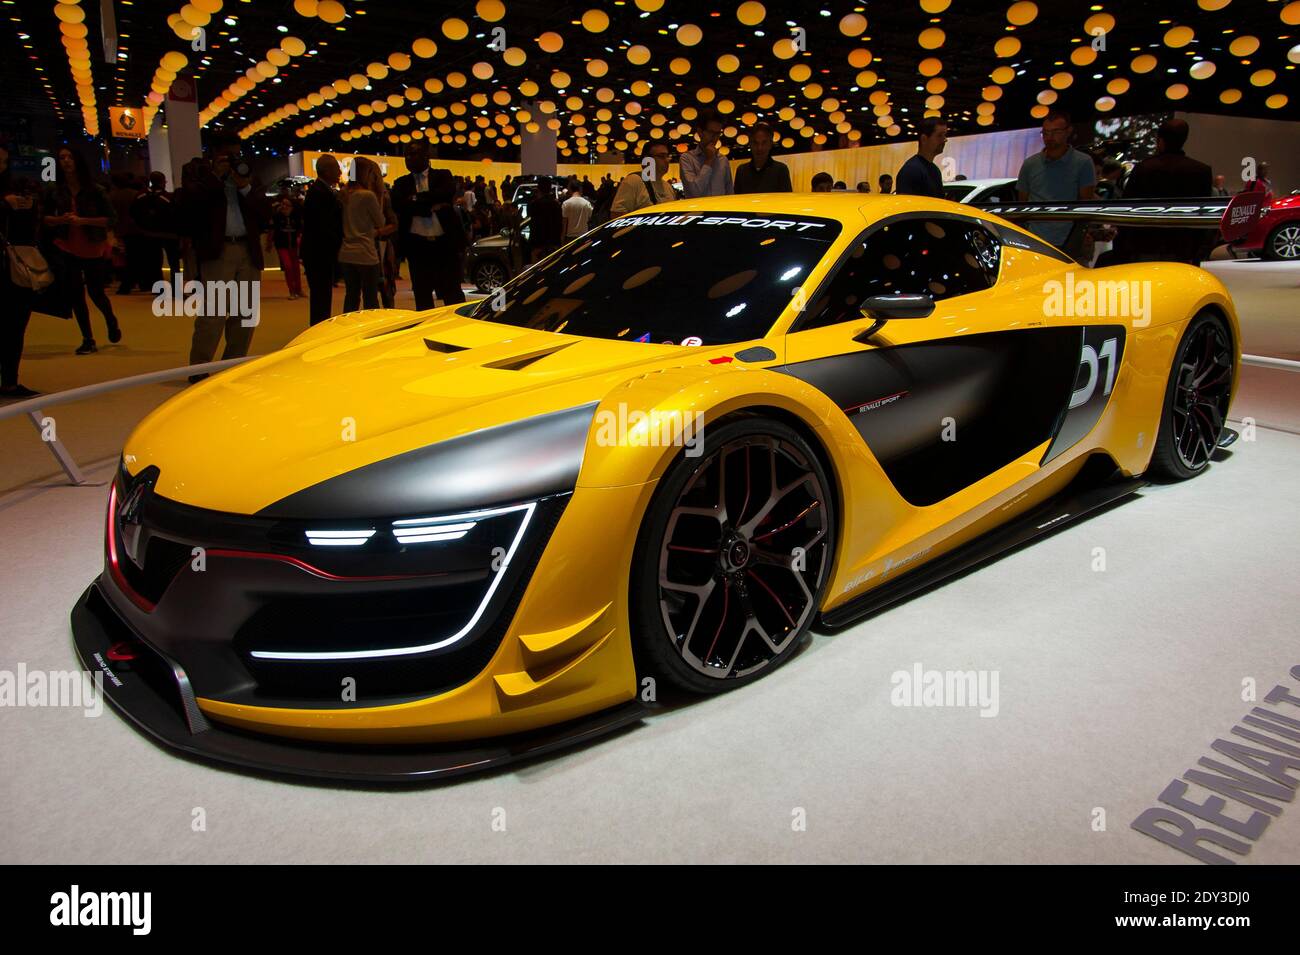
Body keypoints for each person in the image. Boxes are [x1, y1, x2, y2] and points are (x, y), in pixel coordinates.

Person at [179, 135, 272, 374]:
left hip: (248, 249)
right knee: (214, 313)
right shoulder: (199, 174)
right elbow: (190, 207)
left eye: (236, 154)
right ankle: (199, 369)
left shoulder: (247, 174)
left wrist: (245, 187)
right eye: (228, 154)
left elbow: (265, 213)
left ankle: (232, 366)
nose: (233, 159)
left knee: (246, 313)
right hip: (218, 251)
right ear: (214, 153)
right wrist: (215, 177)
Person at [42, 146, 119, 355]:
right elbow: (45, 219)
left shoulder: (95, 190)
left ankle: (110, 320)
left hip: (92, 246)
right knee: (76, 295)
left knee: (96, 292)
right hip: (66, 246)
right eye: (62, 157)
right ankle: (88, 339)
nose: (66, 161)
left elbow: (111, 219)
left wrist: (83, 221)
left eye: (70, 157)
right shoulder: (55, 190)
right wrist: (61, 219)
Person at [1113, 118, 1213, 265]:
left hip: (1145, 244)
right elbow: (1204, 214)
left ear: (1160, 140)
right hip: (1184, 247)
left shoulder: (1143, 168)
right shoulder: (1201, 171)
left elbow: (1128, 208)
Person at [390, 140, 466, 310]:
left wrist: (415, 200)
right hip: (417, 246)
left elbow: (445, 193)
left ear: (426, 156)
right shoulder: (401, 183)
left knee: (452, 292)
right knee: (422, 294)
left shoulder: (443, 175)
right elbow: (399, 205)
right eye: (406, 155)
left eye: (413, 154)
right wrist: (428, 206)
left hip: (444, 244)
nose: (409, 159)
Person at [1015, 109, 1096, 253]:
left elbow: (1086, 202)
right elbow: (1022, 203)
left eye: (1056, 132)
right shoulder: (1030, 164)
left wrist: (1082, 234)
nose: (1049, 137)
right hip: (1035, 240)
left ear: (1068, 131)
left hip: (1069, 240)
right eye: (1045, 133)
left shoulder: (1083, 162)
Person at [0, 144, 40, 397]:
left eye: (4, 161)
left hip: (12, 266)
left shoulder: (11, 188)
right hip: (8, 265)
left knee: (15, 323)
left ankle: (10, 380)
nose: (2, 166)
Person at [338, 156, 389, 312]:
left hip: (346, 252)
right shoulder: (368, 196)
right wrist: (380, 197)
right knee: (370, 298)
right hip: (365, 252)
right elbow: (380, 222)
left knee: (351, 296)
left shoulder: (343, 193)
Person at [301, 153, 343, 325]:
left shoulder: (321, 190)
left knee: (322, 295)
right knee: (321, 296)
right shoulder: (320, 193)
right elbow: (324, 225)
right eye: (336, 168)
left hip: (319, 252)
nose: (340, 172)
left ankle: (320, 325)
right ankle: (319, 328)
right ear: (326, 171)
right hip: (319, 253)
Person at [131, 171, 179, 288]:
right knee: (174, 263)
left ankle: (159, 289)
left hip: (148, 234)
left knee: (154, 263)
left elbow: (133, 213)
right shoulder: (168, 197)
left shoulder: (140, 196)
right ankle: (176, 289)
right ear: (163, 182)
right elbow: (176, 215)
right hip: (169, 234)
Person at [679, 109, 733, 198]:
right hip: (698, 207)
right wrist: (709, 160)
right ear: (700, 132)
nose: (715, 138)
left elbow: (729, 192)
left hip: (720, 207)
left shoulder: (723, 160)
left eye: (718, 133)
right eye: (711, 132)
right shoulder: (687, 158)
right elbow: (694, 192)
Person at [611, 139, 674, 216]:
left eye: (667, 156)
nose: (667, 160)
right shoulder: (634, 181)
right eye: (661, 156)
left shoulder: (668, 187)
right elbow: (617, 214)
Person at [109, 172, 145, 293]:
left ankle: (127, 283)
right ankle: (140, 282)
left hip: (121, 229)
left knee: (126, 257)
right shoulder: (135, 194)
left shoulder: (112, 196)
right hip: (137, 228)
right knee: (137, 256)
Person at [895, 117, 948, 198]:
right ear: (924, 139)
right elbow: (906, 204)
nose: (945, 139)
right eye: (939, 135)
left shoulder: (935, 170)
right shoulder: (911, 170)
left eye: (944, 135)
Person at [733, 123, 792, 194]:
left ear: (770, 144)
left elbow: (786, 199)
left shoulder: (781, 170)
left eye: (764, 143)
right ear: (750, 144)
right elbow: (737, 199)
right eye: (755, 143)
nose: (759, 148)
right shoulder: (741, 171)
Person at [266, 191, 303, 299]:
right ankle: (292, 291)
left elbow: (300, 230)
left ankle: (298, 289)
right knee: (288, 266)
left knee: (296, 267)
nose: (284, 207)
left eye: (287, 205)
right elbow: (272, 230)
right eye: (283, 204)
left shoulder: (296, 216)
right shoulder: (277, 216)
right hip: (282, 245)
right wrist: (269, 243)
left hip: (293, 245)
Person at [528, 182, 563, 262]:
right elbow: (559, 225)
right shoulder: (556, 204)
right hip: (553, 243)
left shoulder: (534, 204)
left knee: (537, 267)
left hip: (538, 244)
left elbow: (533, 225)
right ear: (550, 189)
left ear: (539, 190)